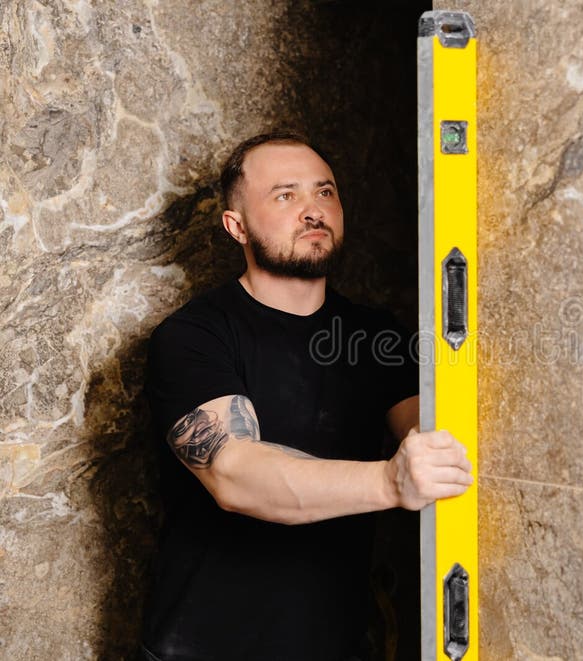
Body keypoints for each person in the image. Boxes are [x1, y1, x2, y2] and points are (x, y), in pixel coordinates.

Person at [140, 130, 473, 660]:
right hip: (203, 649)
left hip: (339, 645)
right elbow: (234, 474)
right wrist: (390, 481)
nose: (313, 210)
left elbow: (437, 437)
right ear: (236, 225)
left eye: (325, 192)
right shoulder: (193, 337)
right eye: (285, 195)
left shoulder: (374, 334)